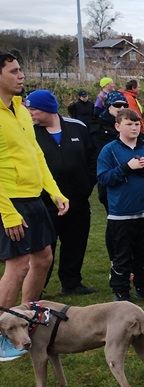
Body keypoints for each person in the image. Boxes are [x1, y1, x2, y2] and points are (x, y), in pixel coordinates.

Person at [0, 53, 69, 361]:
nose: (21, 75)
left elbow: (36, 155)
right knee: (18, 265)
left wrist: (54, 192)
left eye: (21, 70)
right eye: (14, 71)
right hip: (9, 200)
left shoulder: (21, 109)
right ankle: (2, 331)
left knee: (43, 257)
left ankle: (24, 320)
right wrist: (7, 212)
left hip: (33, 198)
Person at [26, 90, 98, 295]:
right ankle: (37, 288)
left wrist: (87, 183)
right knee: (43, 247)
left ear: (48, 109)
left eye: (33, 109)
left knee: (76, 242)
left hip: (78, 199)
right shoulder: (28, 131)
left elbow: (92, 156)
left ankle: (72, 282)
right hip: (44, 203)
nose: (29, 113)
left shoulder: (77, 127)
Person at [96, 108, 144, 302]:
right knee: (122, 256)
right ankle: (121, 292)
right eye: (129, 124)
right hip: (122, 213)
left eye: (137, 124)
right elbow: (103, 178)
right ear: (118, 126)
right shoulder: (109, 150)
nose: (134, 127)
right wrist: (127, 168)